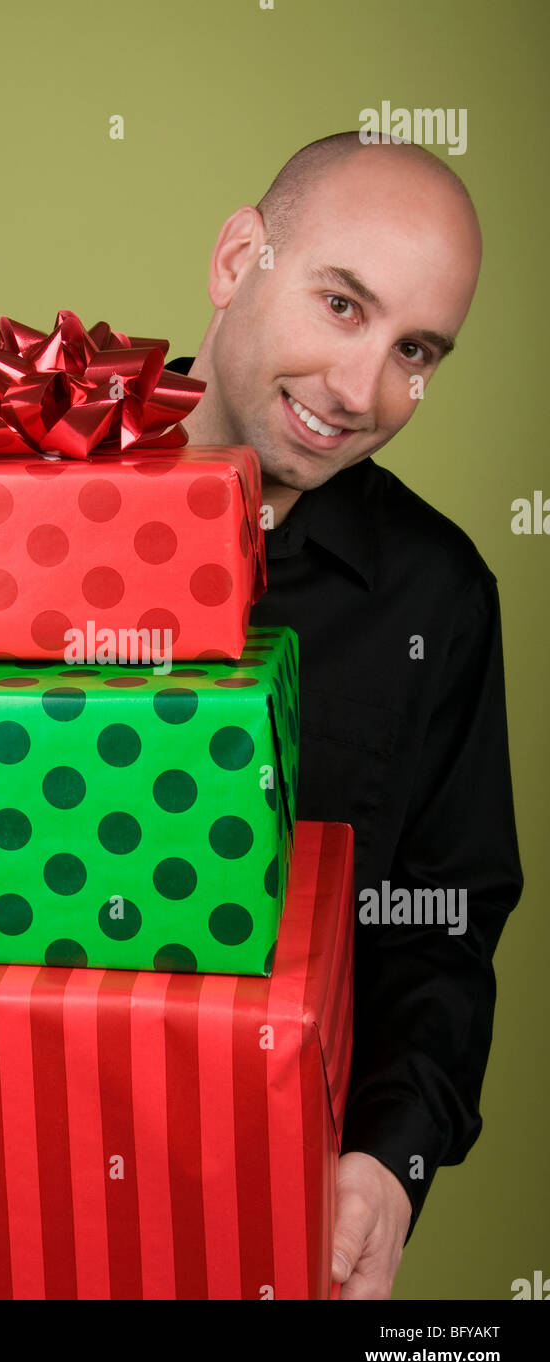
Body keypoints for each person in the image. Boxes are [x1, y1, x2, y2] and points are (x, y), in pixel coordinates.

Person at [166, 131, 523, 1300]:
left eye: (413, 350)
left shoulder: (440, 597)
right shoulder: (7, 506)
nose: (360, 393)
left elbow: (443, 923)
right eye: (339, 304)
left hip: (262, 1221)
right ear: (235, 257)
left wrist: (387, 1159)